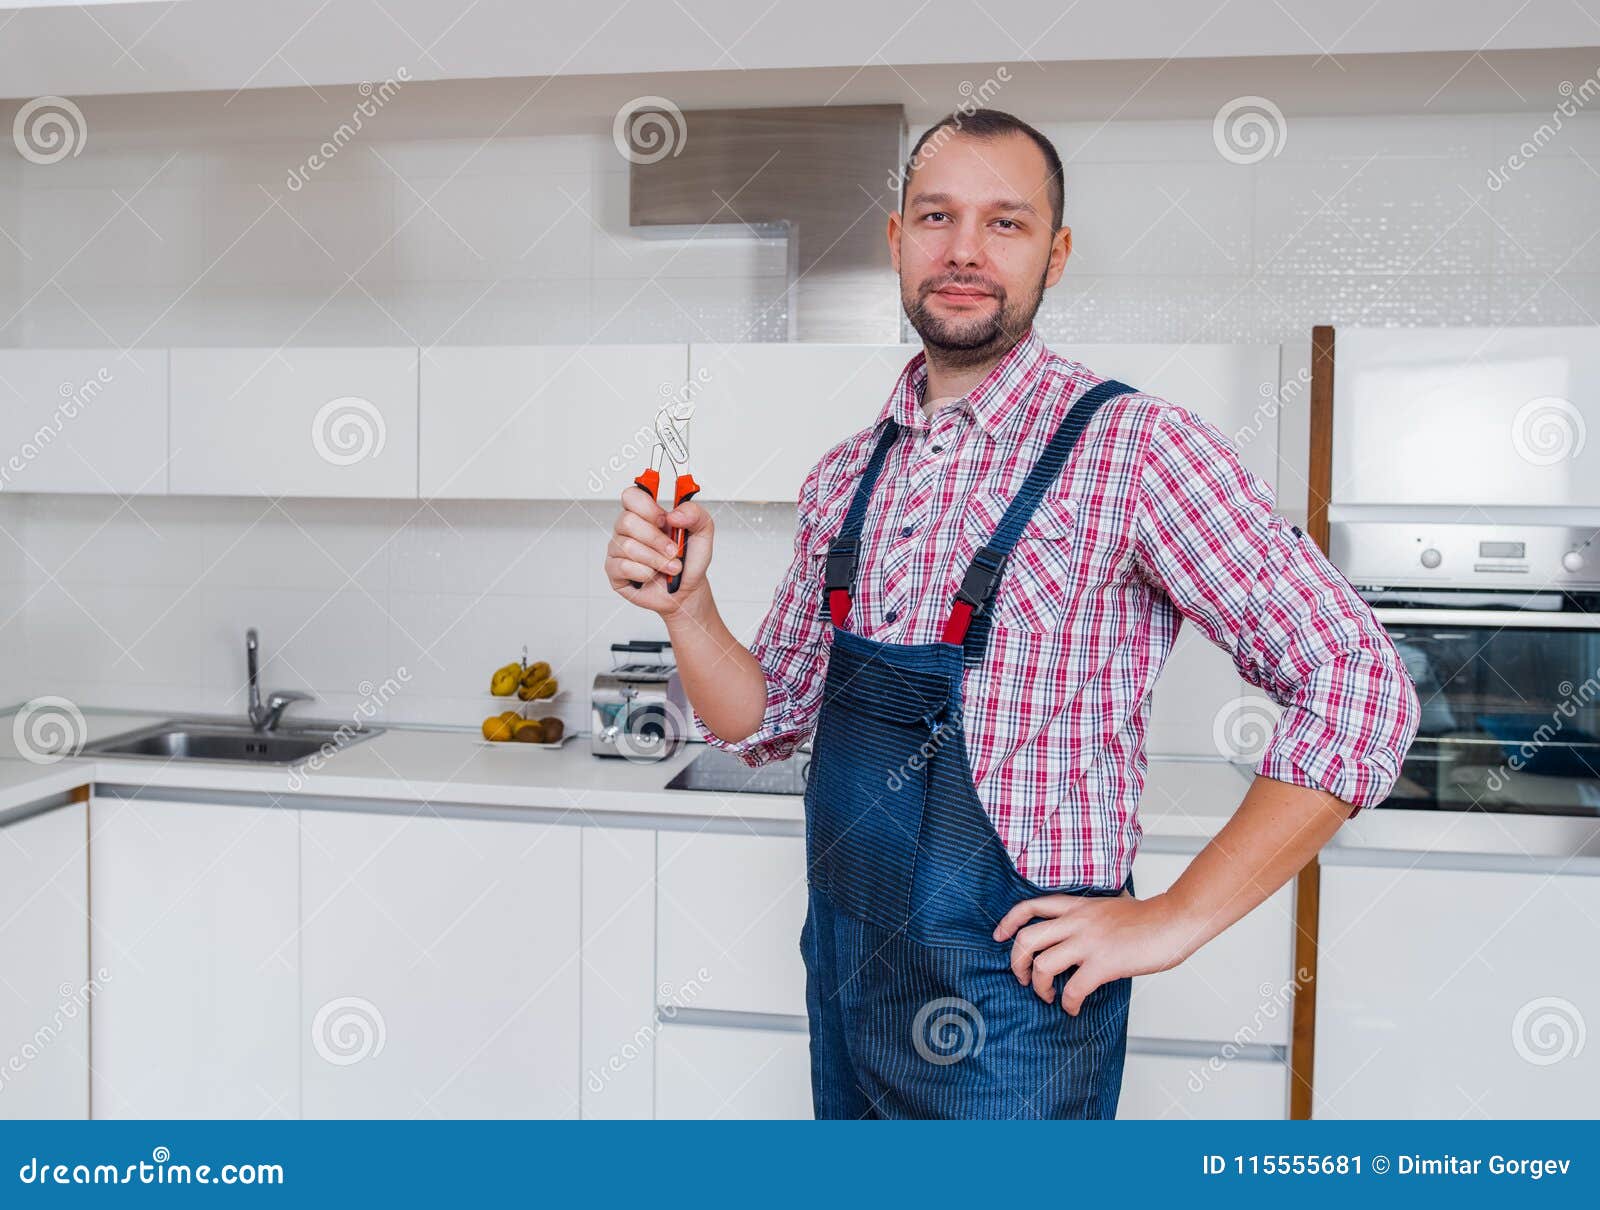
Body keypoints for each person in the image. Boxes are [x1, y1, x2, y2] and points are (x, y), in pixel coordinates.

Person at [604, 108, 1420, 1120]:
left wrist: (1172, 917)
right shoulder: (847, 475)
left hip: (1016, 1015)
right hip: (849, 973)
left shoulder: (1136, 451)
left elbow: (1359, 684)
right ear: (894, 240)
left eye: (1006, 223)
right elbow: (757, 719)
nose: (962, 251)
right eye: (936, 216)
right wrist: (688, 609)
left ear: (1055, 253)